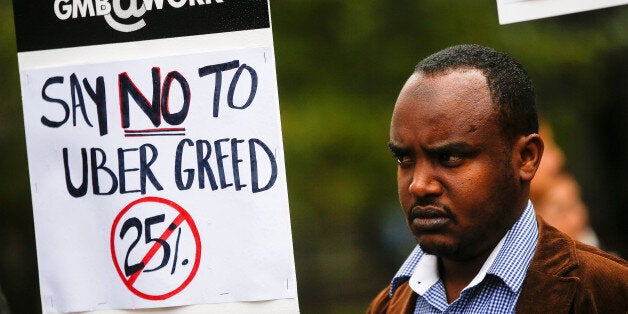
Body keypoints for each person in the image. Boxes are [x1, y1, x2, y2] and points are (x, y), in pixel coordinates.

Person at [368, 44, 627, 313]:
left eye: (450, 158)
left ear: (526, 158)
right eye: (404, 159)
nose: (419, 185)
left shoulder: (607, 292)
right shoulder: (388, 305)